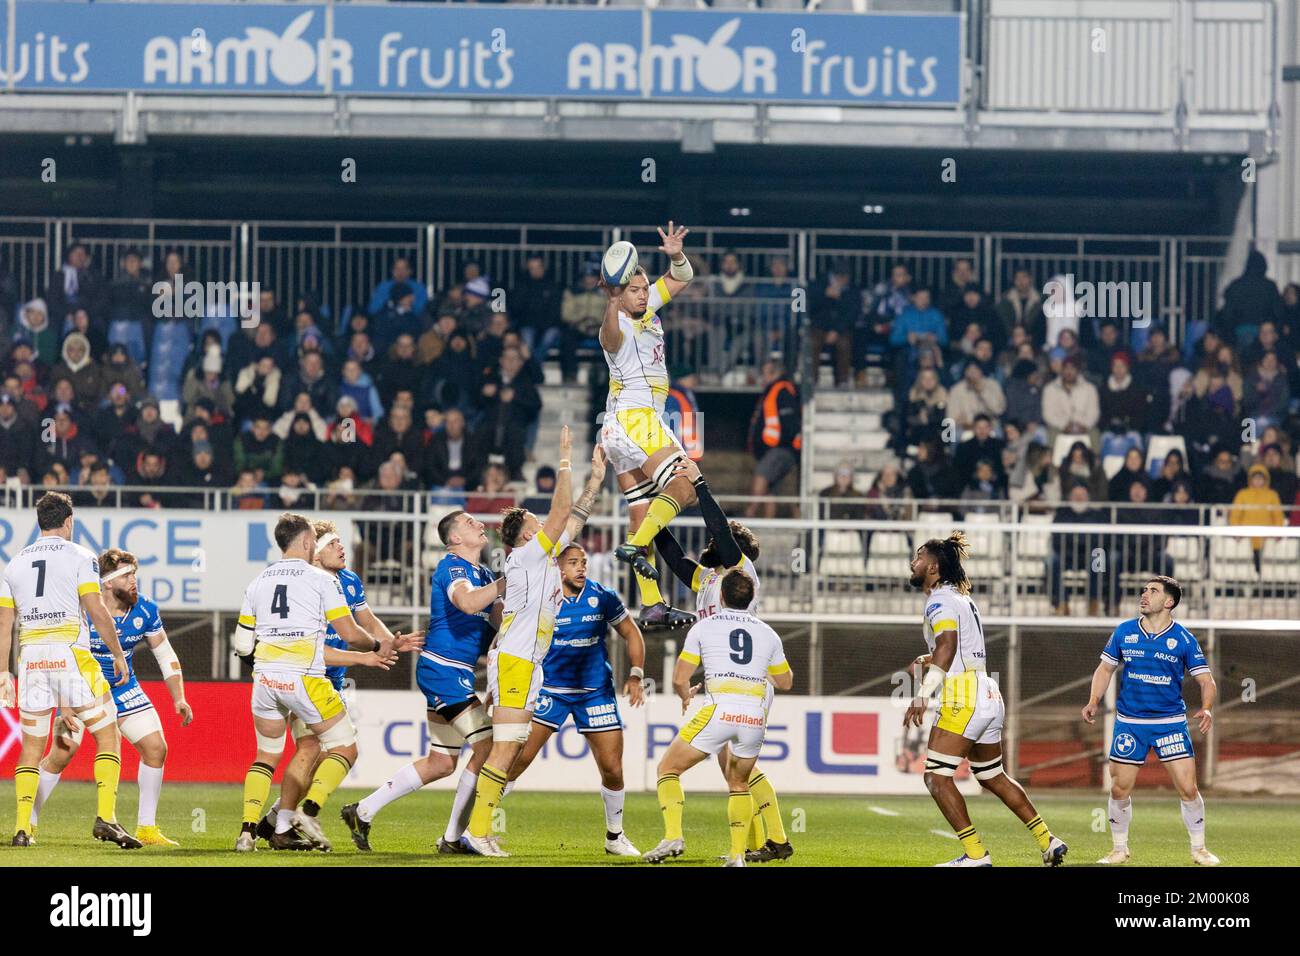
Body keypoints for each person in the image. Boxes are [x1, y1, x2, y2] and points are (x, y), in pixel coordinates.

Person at [461, 431, 603, 857]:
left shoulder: (540, 555)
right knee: (505, 748)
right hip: (516, 659)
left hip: (529, 661)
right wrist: (564, 459)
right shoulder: (524, 557)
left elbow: (572, 518)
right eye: (536, 527)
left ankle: (476, 829)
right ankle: (474, 832)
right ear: (524, 538)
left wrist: (595, 481)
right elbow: (561, 512)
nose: (545, 529)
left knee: (512, 745)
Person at [653, 463, 791, 863]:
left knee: (734, 772)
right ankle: (768, 843)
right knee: (734, 771)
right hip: (730, 684)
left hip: (745, 685)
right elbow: (675, 559)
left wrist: (699, 485)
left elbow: (719, 530)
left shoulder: (739, 568)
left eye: (717, 538)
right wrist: (652, 519)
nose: (709, 542)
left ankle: (768, 842)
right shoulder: (711, 579)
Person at [231, 512, 394, 852]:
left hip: (264, 680)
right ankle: (308, 810)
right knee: (345, 747)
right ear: (307, 542)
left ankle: (247, 833)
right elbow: (349, 633)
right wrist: (375, 646)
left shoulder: (258, 581)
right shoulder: (322, 580)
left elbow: (242, 646)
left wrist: (265, 664)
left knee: (266, 755)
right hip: (304, 677)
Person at [903, 532, 1067, 867]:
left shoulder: (939, 601)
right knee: (992, 775)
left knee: (935, 776)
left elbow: (948, 647)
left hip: (964, 695)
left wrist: (922, 693)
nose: (913, 561)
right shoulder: (961, 598)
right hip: (987, 690)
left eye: (919, 557)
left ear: (933, 567)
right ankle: (1047, 840)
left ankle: (976, 855)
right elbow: (955, 649)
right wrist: (928, 659)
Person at [261, 521, 420, 850]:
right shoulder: (307, 584)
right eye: (333, 544)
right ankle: (295, 817)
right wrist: (367, 655)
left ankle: (276, 819)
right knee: (315, 749)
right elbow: (315, 648)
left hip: (329, 682)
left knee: (321, 757)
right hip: (305, 678)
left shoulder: (348, 580)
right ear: (315, 553)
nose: (342, 548)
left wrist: (390, 641)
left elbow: (368, 621)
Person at [0, 492, 141, 849]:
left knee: (32, 746)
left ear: (40, 522)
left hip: (30, 658)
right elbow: (96, 609)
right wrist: (117, 653)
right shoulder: (80, 556)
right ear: (68, 521)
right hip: (70, 655)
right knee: (108, 735)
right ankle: (107, 819)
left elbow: (4, 623)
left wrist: (4, 672)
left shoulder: (13, 563)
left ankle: (22, 829)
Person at [27, 548, 194, 847]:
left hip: (122, 688)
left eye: (134, 575)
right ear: (106, 582)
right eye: (127, 575)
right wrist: (64, 704)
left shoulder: (145, 610)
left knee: (156, 748)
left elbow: (166, 655)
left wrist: (179, 697)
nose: (134, 581)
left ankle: (147, 828)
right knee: (62, 752)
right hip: (79, 688)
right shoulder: (79, 609)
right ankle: (29, 822)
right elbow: (62, 657)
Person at [498, 543, 646, 857]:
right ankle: (483, 826)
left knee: (613, 769)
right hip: (549, 689)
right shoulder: (542, 598)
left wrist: (635, 673)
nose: (581, 568)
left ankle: (615, 837)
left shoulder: (602, 596)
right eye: (574, 563)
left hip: (594, 691)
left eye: (584, 562)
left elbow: (632, 633)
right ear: (558, 568)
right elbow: (511, 638)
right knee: (517, 760)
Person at [642, 570, 792, 866]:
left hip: (719, 710)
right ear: (751, 599)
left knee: (668, 769)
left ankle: (673, 836)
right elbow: (785, 681)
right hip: (753, 715)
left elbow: (679, 677)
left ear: (721, 596)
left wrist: (686, 694)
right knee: (739, 784)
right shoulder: (768, 633)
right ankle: (737, 857)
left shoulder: (704, 627)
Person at [598, 222, 698, 631]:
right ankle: (634, 548)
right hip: (636, 418)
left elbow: (683, 277)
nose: (643, 293)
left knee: (640, 511)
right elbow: (607, 339)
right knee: (687, 486)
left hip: (619, 426)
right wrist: (612, 299)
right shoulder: (617, 320)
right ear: (620, 294)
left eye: (643, 289)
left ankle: (653, 604)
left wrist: (675, 254)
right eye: (634, 289)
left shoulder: (647, 307)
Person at [1082, 576, 1219, 865]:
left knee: (1188, 789)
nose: (1144, 595)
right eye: (1144, 590)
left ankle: (1199, 849)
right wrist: (1094, 700)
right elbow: (1104, 670)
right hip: (1130, 722)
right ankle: (1119, 849)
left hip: (1170, 722)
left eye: (1153, 591)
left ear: (1168, 602)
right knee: (1119, 788)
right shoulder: (1124, 632)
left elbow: (1206, 681)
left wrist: (1206, 708)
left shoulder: (1183, 639)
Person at [745, 358, 801, 518]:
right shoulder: (772, 390)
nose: (762, 377)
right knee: (770, 489)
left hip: (781, 449)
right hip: (772, 449)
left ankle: (749, 514)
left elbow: (790, 421)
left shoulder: (782, 390)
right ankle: (768, 522)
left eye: (765, 373)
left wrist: (786, 443)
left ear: (774, 372)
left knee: (761, 475)